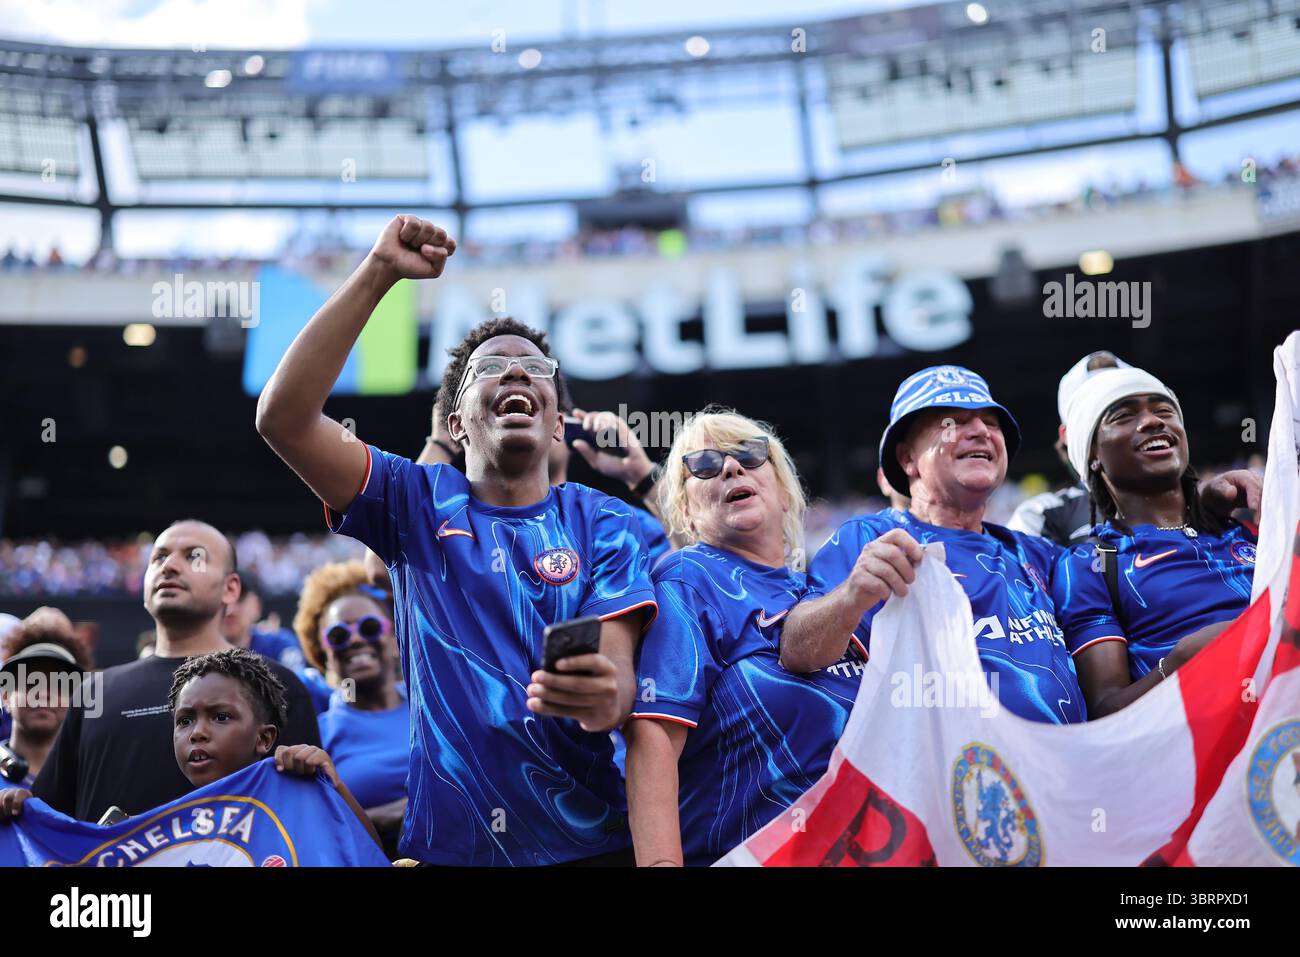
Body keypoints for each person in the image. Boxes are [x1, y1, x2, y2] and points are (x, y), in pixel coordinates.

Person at [255, 215, 657, 866]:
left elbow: (613, 689)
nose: (518, 374)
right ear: (455, 423)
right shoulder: (411, 503)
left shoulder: (604, 521)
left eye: (536, 369)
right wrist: (379, 271)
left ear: (558, 423)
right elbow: (283, 416)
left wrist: (600, 693)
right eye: (491, 367)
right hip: (451, 852)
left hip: (593, 848)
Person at [781, 365, 1087, 724]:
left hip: (1060, 772)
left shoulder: (1040, 555)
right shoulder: (867, 538)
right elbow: (797, 651)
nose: (980, 431)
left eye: (991, 422)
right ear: (907, 459)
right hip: (950, 775)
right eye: (953, 422)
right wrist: (851, 596)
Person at [625, 410, 861, 866]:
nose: (733, 467)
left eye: (751, 455)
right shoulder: (688, 580)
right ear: (687, 514)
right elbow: (652, 739)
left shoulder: (823, 593)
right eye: (705, 465)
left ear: (786, 493)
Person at [32, 519, 320, 822]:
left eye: (193, 556)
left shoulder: (277, 685)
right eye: (158, 557)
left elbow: (305, 816)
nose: (169, 565)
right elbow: (49, 816)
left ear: (231, 588)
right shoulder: (93, 691)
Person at [2, 648, 381, 851]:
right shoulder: (140, 836)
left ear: (264, 739)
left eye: (220, 717)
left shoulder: (298, 801)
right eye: (184, 721)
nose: (197, 733)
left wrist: (335, 789)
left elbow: (369, 857)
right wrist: (21, 812)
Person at [1053, 368, 1259, 716]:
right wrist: (1177, 664)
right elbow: (1105, 710)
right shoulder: (1090, 564)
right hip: (1215, 749)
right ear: (1092, 455)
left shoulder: (1247, 523)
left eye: (1165, 412)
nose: (1152, 422)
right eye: (1124, 415)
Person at [1010, 351, 1260, 545]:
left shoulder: (1217, 503)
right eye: (1121, 414)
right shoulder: (1045, 516)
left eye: (1160, 408)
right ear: (1075, 437)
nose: (1150, 421)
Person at [295, 561, 408, 855]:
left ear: (395, 640)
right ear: (323, 654)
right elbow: (309, 831)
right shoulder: (316, 734)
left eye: (370, 628)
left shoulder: (436, 711)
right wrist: (382, 818)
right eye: (338, 635)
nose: (355, 639)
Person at [1009, 351, 1129, 545]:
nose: (1143, 423)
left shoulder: (1194, 504)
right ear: (1068, 435)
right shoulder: (1042, 516)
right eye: (1097, 411)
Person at [0, 620, 92, 790]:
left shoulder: (93, 782)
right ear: (5, 696)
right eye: (31, 682)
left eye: (60, 685)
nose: (43, 694)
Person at [221, 571, 306, 671]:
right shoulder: (199, 650)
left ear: (257, 606)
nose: (230, 610)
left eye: (240, 599)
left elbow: (297, 680)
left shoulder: (277, 645)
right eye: (224, 599)